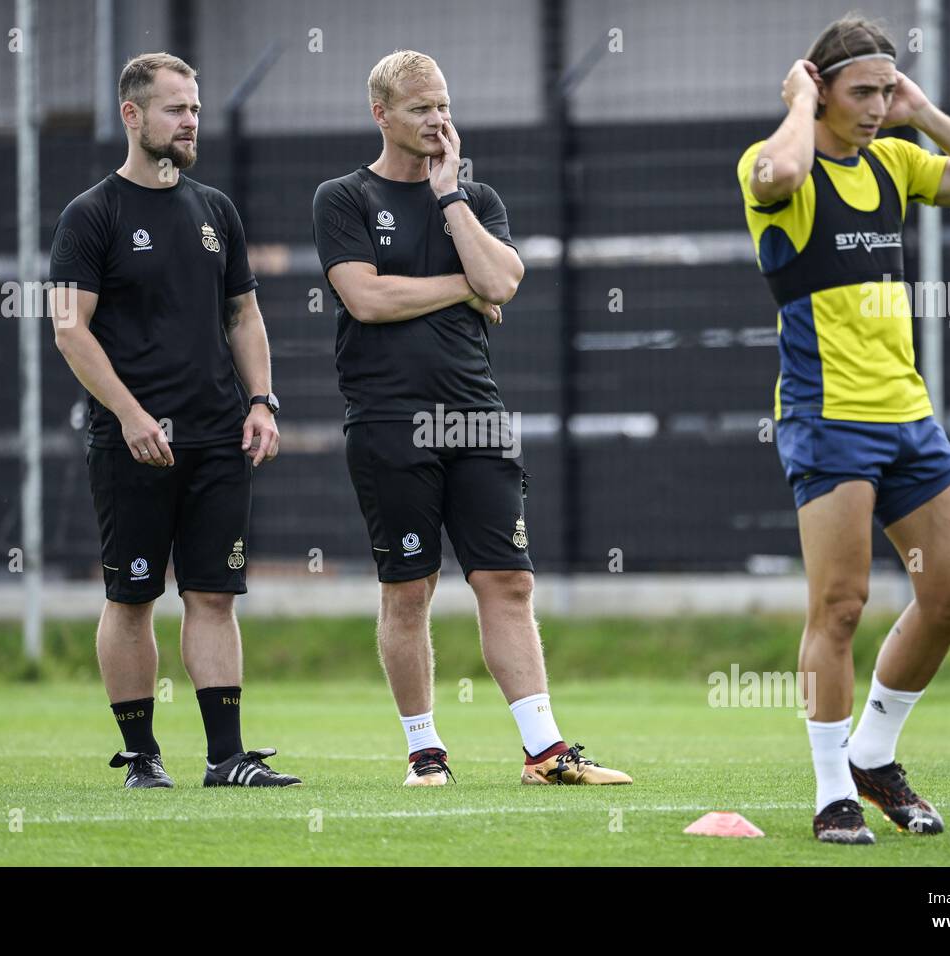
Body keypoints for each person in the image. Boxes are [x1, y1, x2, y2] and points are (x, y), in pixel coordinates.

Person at [737, 16, 950, 842]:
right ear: (819, 88)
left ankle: (873, 753)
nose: (876, 107)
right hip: (829, 421)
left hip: (908, 417)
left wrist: (924, 113)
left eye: (885, 91)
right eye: (861, 92)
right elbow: (782, 169)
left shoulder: (896, 161)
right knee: (840, 605)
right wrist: (799, 100)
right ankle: (832, 793)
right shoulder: (774, 163)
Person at [311, 50, 630, 787]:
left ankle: (545, 753)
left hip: (478, 418)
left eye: (444, 105)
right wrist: (462, 288)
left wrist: (450, 198)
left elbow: (503, 282)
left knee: (509, 583)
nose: (438, 119)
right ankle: (426, 752)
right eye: (421, 107)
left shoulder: (476, 200)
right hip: (390, 420)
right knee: (408, 590)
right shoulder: (343, 197)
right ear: (381, 114)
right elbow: (367, 299)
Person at [49, 52, 299, 789]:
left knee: (214, 595)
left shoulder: (215, 210)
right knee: (131, 598)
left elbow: (244, 314)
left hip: (219, 437)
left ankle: (227, 759)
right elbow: (70, 329)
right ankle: (143, 758)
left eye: (194, 108)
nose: (190, 121)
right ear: (133, 116)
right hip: (132, 444)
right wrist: (128, 416)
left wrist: (261, 402)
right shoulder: (91, 215)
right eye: (175, 109)